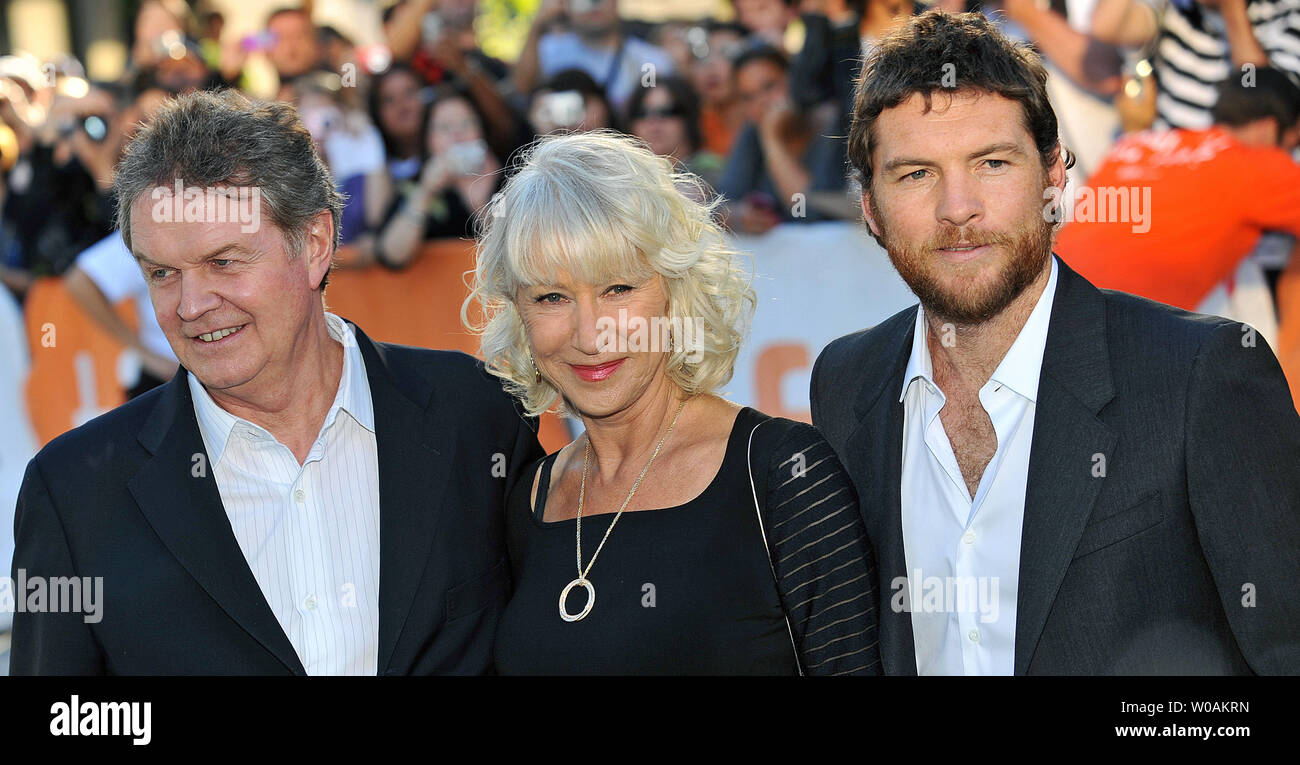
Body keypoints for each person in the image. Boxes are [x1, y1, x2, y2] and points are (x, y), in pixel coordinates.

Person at [810, 10, 1300, 675]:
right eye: (916, 174)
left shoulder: (1199, 378)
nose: (958, 207)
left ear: (1053, 177)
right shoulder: (845, 382)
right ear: (870, 208)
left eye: (991, 162)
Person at [9, 89, 544, 675]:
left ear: (314, 244)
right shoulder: (75, 494)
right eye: (161, 273)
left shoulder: (476, 413)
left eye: (224, 262)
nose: (190, 305)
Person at [467, 130, 880, 675]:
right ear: (518, 314)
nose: (590, 334)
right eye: (551, 297)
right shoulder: (530, 499)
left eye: (618, 289)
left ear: (675, 293)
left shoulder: (781, 473)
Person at [1056, 68, 1300, 312]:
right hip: (1110, 327)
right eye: (1294, 144)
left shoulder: (1138, 144)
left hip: (1047, 297)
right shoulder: (1259, 164)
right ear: (1268, 128)